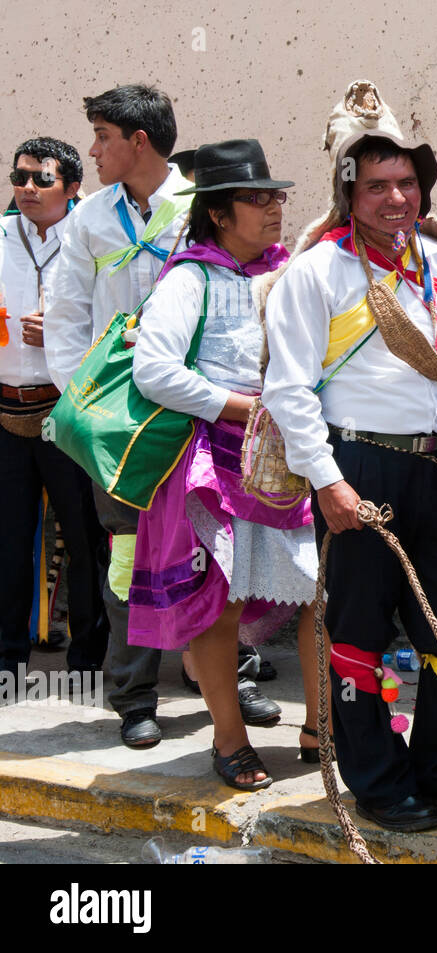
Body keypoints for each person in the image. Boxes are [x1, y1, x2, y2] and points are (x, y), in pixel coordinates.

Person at [262, 125, 437, 832]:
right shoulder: (317, 271)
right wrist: (328, 480)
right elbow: (288, 389)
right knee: (358, 634)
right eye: (377, 187)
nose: (396, 199)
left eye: (407, 184)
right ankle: (378, 780)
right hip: (359, 465)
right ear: (349, 195)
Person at [43, 85, 280, 747]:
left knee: (219, 555)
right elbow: (64, 315)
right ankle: (133, 694)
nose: (92, 151)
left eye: (102, 137)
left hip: (205, 416)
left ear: (138, 142)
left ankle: (228, 686)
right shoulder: (89, 218)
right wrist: (83, 402)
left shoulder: (204, 205)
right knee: (128, 554)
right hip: (127, 418)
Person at [128, 140, 319, 788]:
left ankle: (321, 728)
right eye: (256, 197)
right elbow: (153, 370)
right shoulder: (190, 278)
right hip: (216, 464)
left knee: (320, 591)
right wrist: (240, 407)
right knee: (222, 604)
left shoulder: (290, 270)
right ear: (218, 213)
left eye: (277, 195)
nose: (274, 207)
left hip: (287, 463)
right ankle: (229, 738)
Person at [0, 137, 110, 683]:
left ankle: (88, 657)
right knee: (9, 540)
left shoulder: (91, 238)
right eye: (19, 177)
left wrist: (66, 334)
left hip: (69, 411)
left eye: (42, 179)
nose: (27, 189)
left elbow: (120, 320)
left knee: (86, 539)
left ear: (71, 187)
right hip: (6, 408)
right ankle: (7, 659)